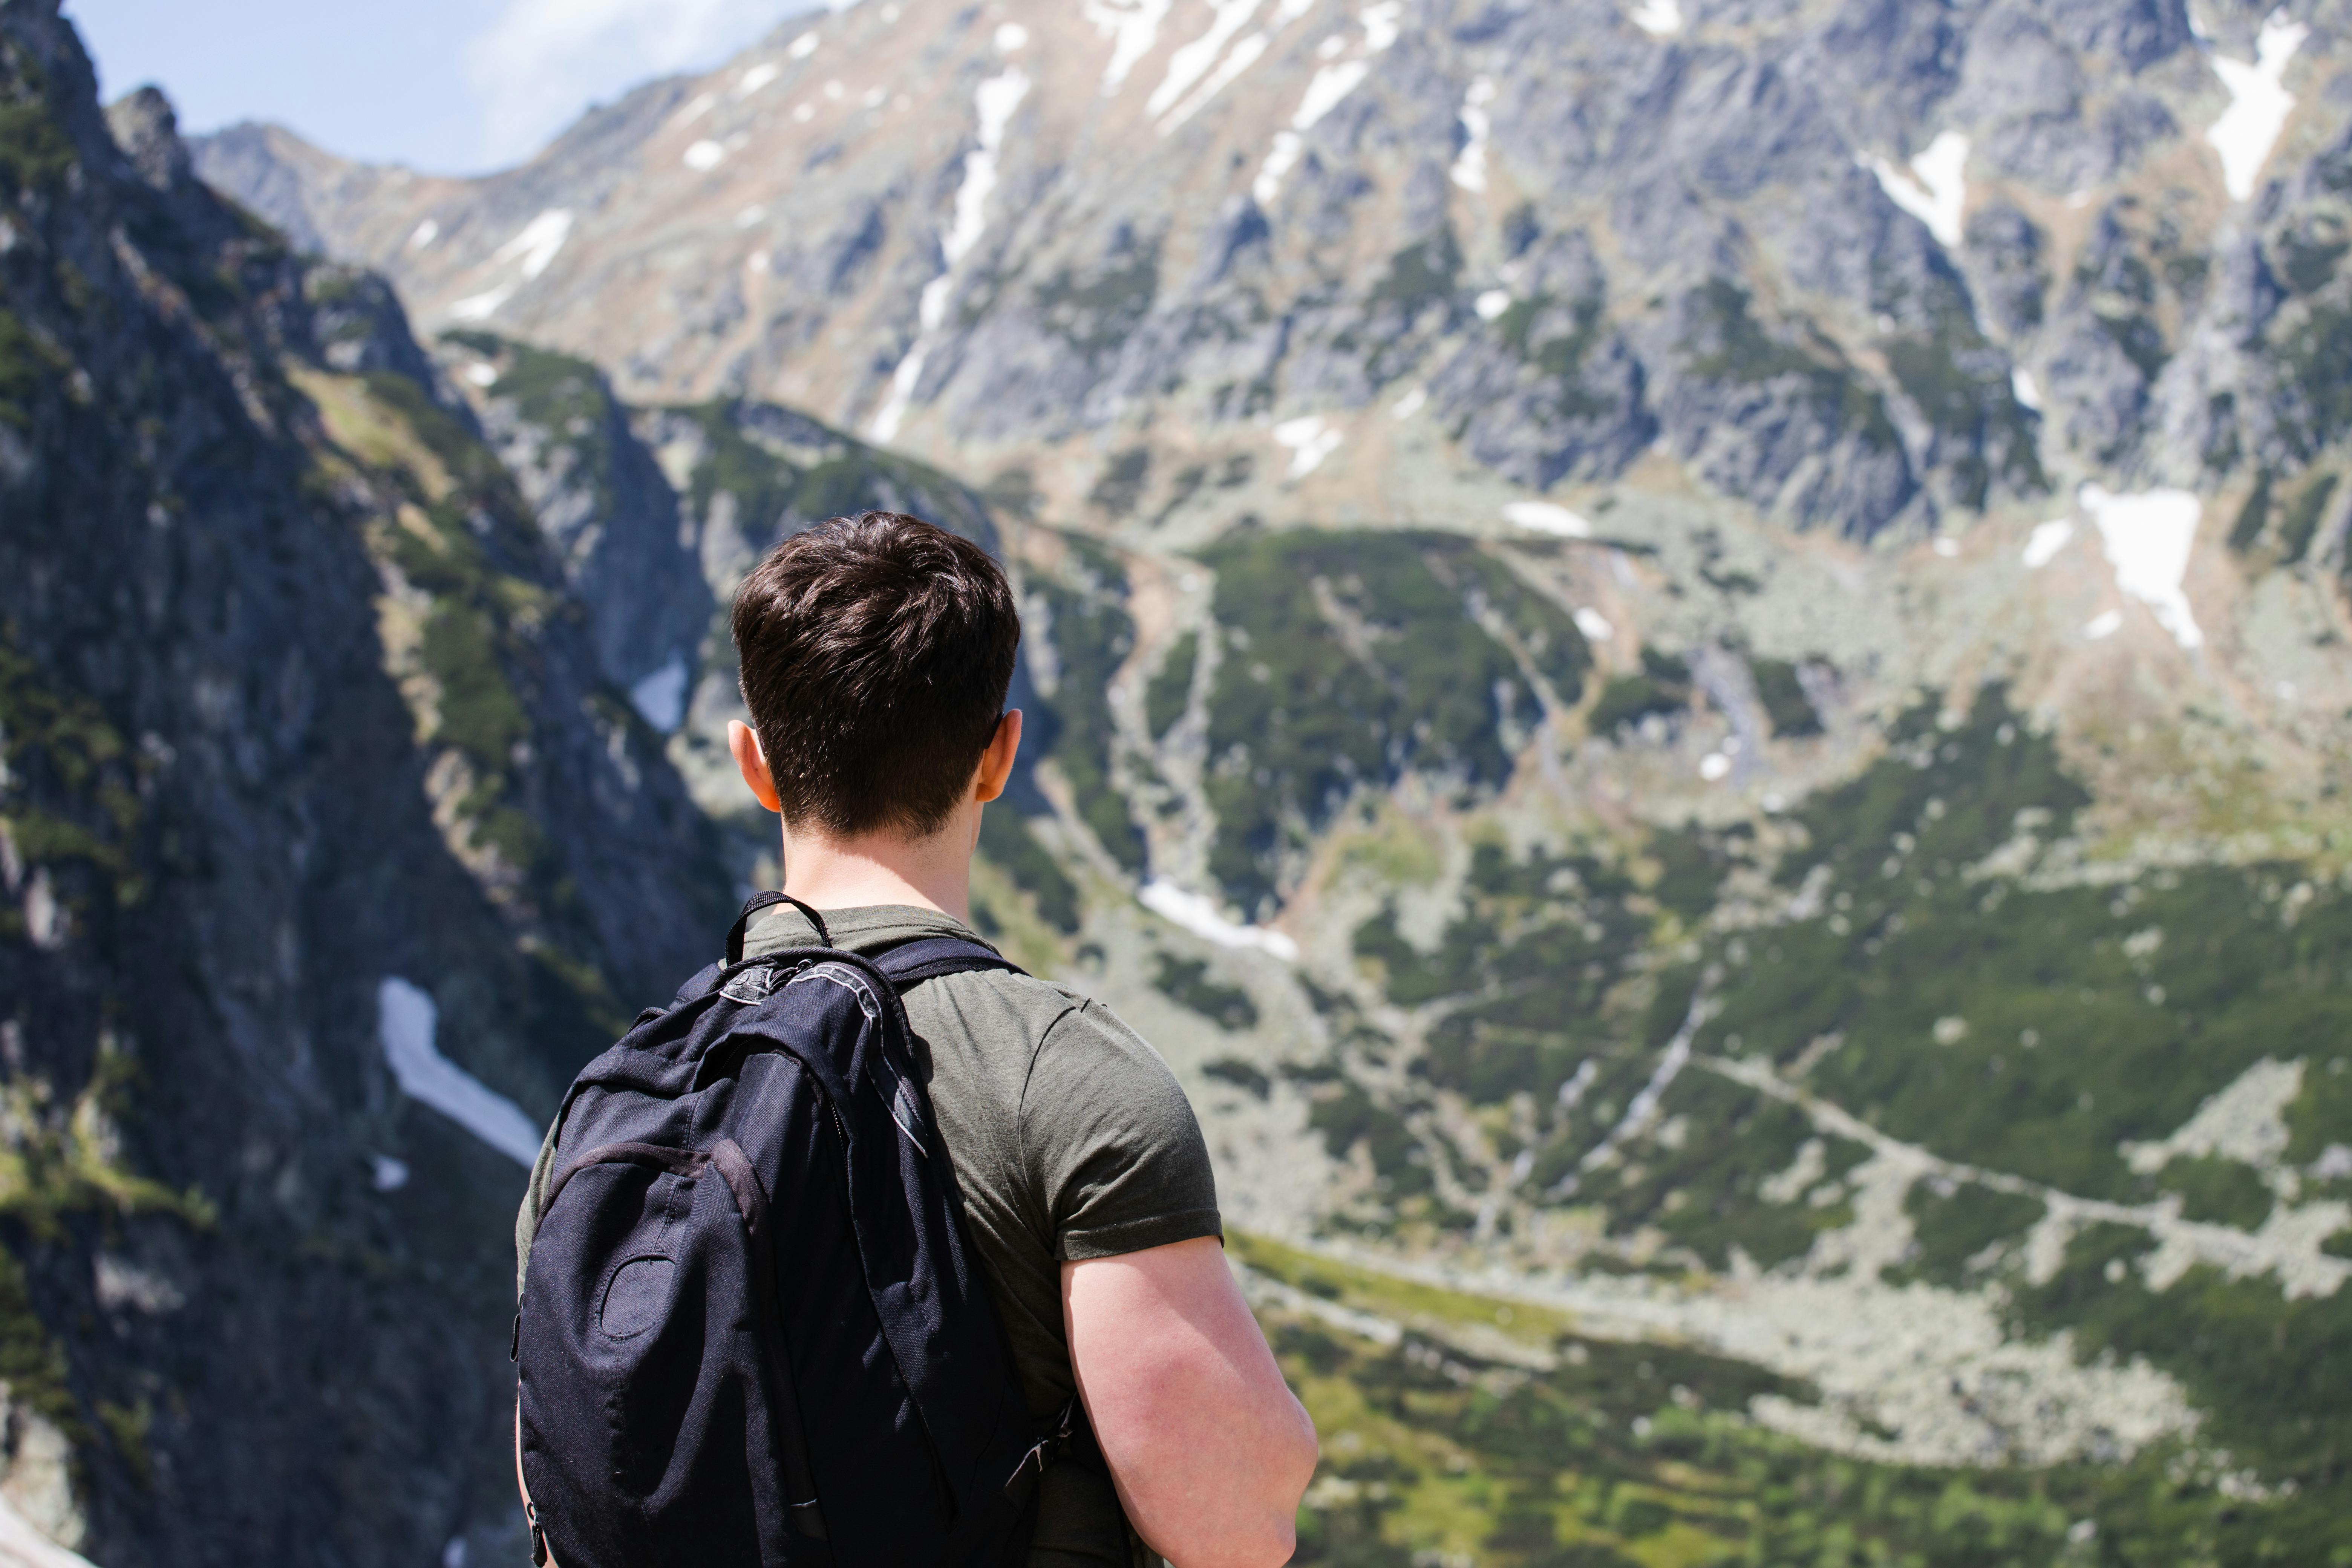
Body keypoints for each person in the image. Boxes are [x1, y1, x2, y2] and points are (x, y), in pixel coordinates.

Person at [518, 510, 1317, 1568]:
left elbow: (560, 1489)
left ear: (755, 764)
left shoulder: (612, 1103)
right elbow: (1234, 1524)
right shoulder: (1064, 1074)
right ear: (1000, 755)